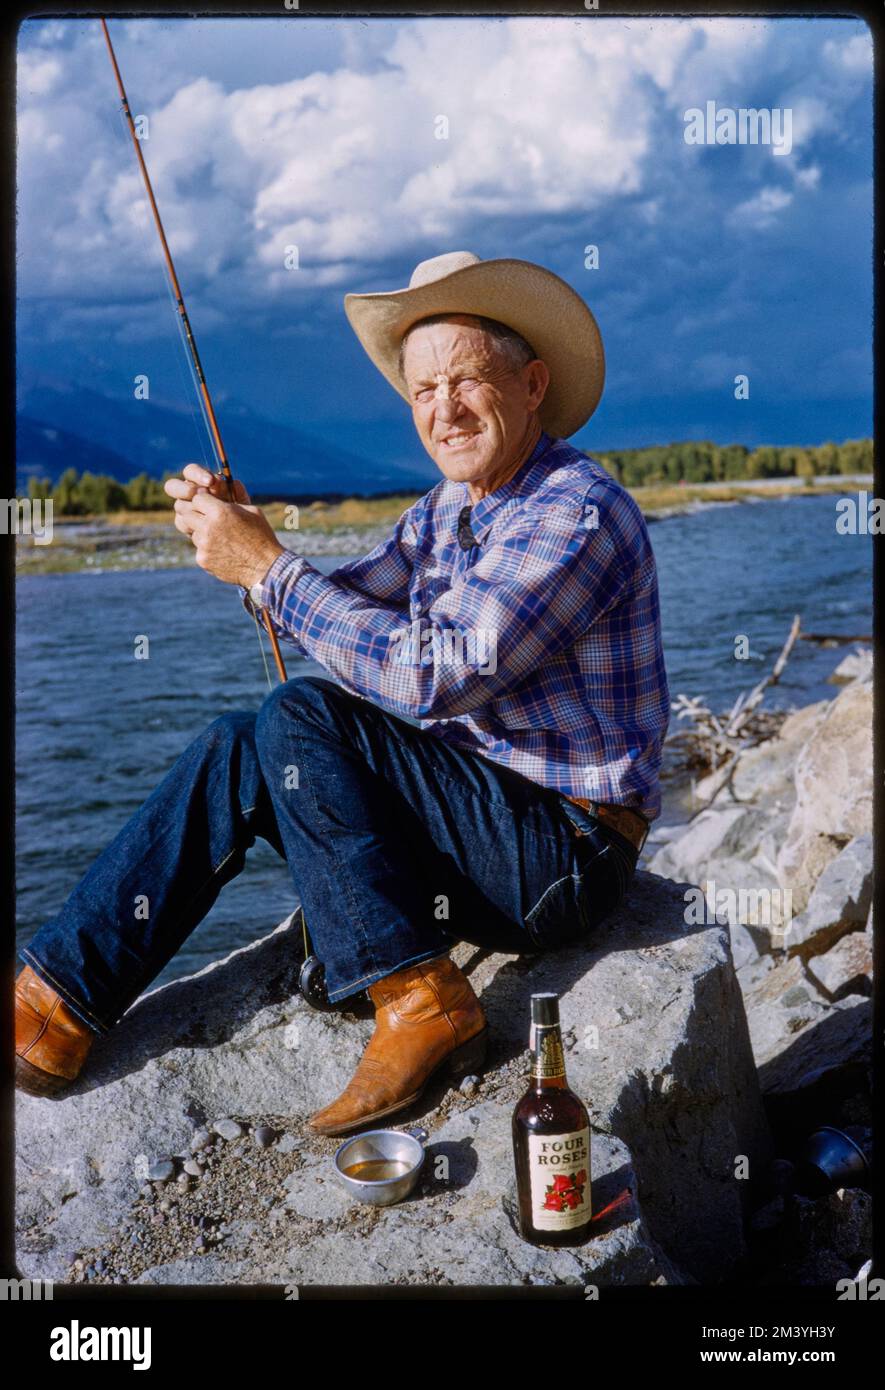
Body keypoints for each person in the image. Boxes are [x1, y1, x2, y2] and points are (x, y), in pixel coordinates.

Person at [15, 251, 670, 1136]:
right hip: (486, 829)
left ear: (531, 383)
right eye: (422, 391)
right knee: (239, 743)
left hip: (565, 851)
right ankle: (56, 1000)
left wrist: (271, 571)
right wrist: (252, 545)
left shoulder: (573, 509)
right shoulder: (447, 506)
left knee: (299, 714)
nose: (443, 409)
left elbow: (440, 674)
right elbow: (350, 601)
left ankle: (417, 997)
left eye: (467, 380)